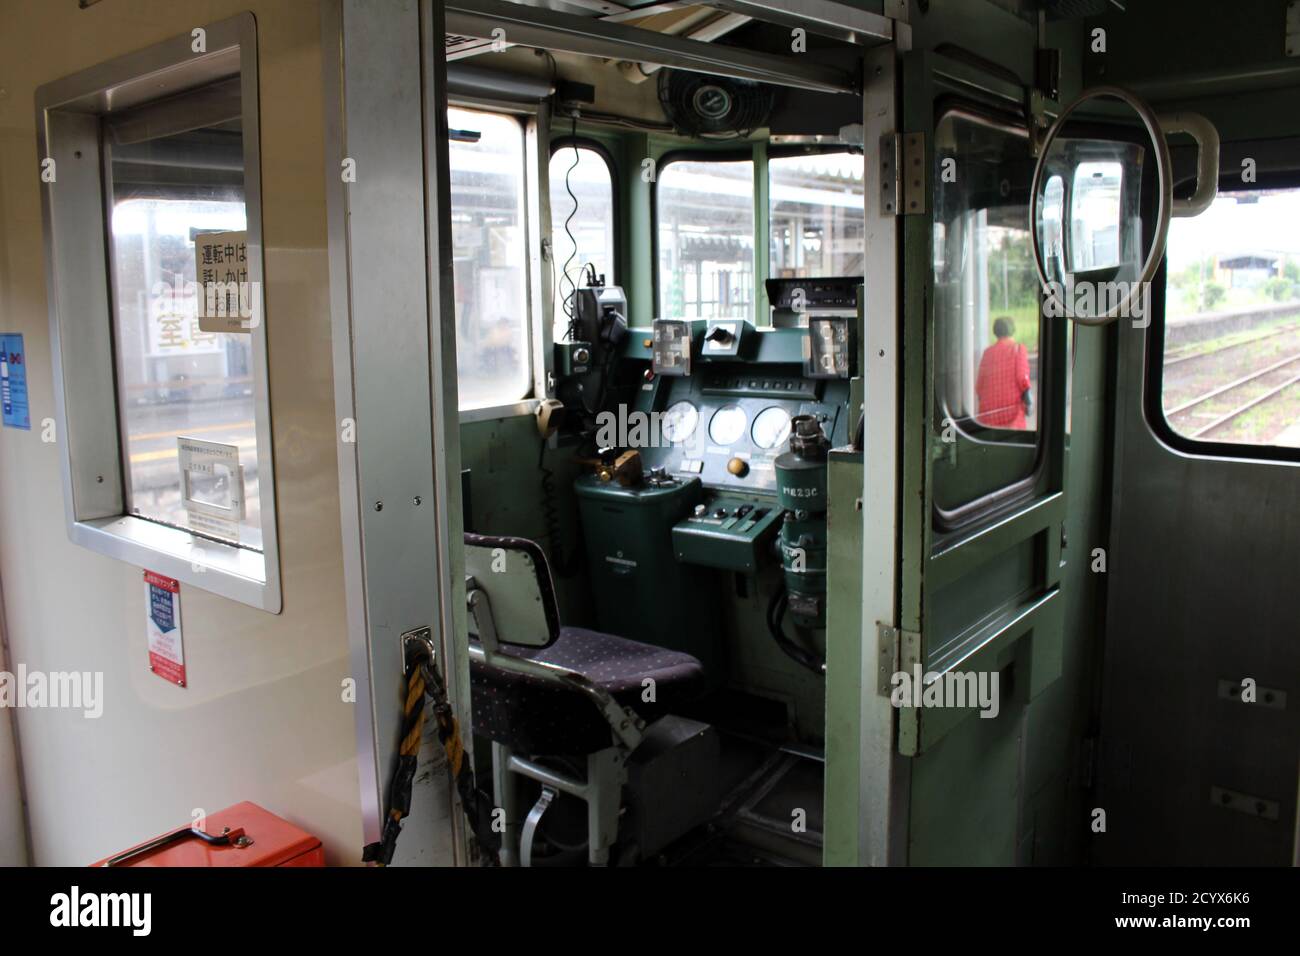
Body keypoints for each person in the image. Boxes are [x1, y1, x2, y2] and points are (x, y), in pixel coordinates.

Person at [975, 317, 1032, 430]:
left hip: (988, 415)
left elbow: (979, 386)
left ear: (995, 332)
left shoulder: (987, 353)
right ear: (1012, 330)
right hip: (1012, 415)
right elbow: (1022, 379)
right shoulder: (1018, 349)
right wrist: (1029, 402)